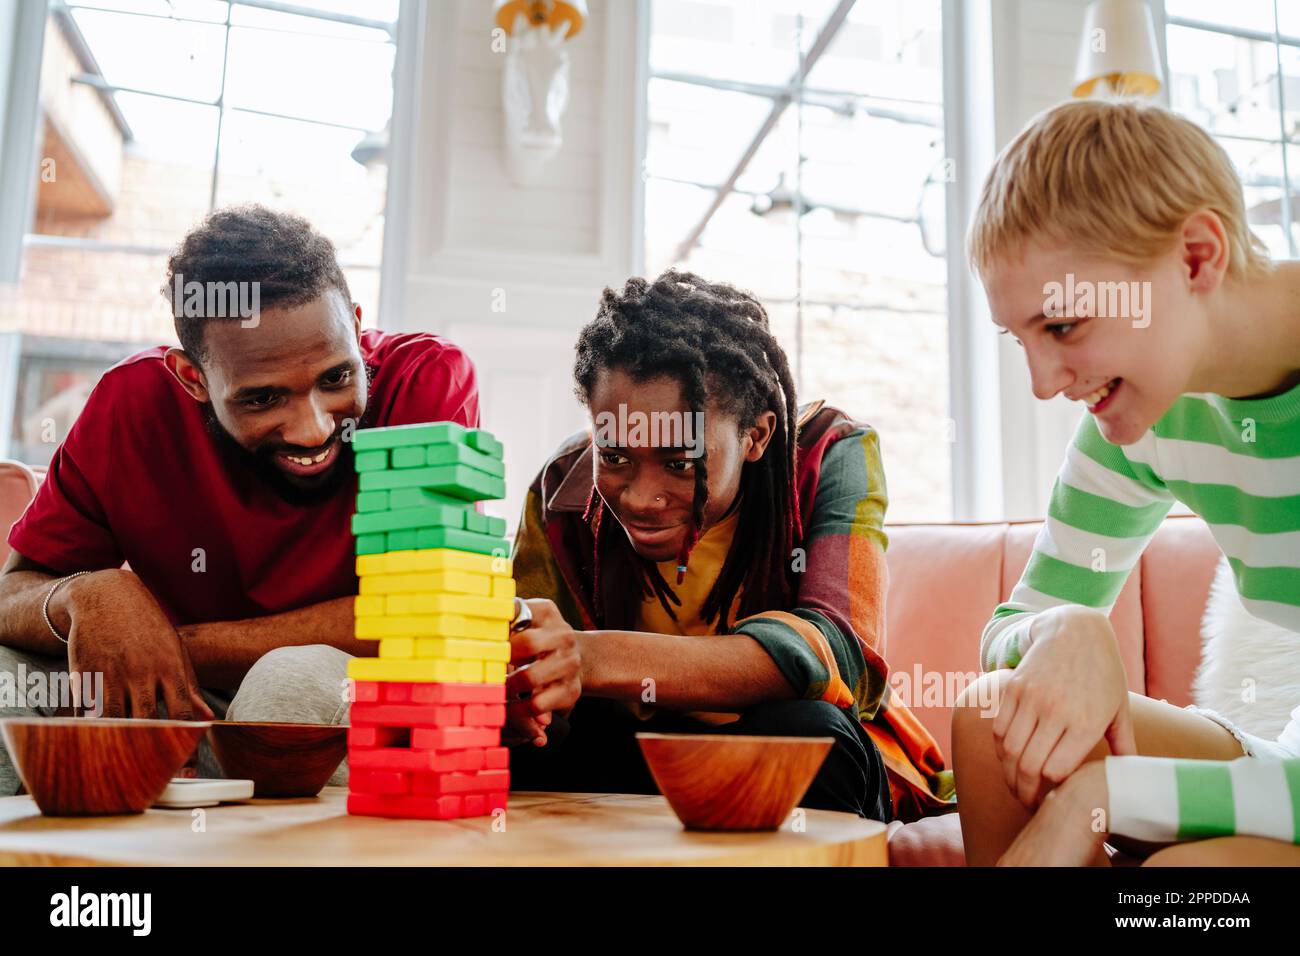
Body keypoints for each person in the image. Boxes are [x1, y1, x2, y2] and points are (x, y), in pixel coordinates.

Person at [0, 204, 479, 792]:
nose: (313, 430)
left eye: (336, 378)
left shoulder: (426, 378)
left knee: (292, 682)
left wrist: (162, 646)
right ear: (192, 378)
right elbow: (11, 594)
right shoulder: (130, 405)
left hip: (352, 689)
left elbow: (425, 611)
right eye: (261, 400)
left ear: (355, 327)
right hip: (180, 697)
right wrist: (85, 595)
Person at [951, 99, 1300, 865]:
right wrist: (1062, 627)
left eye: (1063, 327)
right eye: (1022, 339)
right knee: (993, 719)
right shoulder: (1145, 415)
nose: (1043, 384)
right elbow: (1009, 631)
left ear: (1196, 258)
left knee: (1188, 884)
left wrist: (1107, 796)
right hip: (1291, 770)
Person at [505, 270, 951, 821]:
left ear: (757, 435)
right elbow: (527, 667)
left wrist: (586, 655)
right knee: (511, 748)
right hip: (637, 753)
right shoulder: (563, 489)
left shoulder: (828, 454)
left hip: (776, 749)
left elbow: (840, 654)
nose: (643, 498)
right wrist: (525, 695)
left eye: (680, 463)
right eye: (615, 457)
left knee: (807, 732)